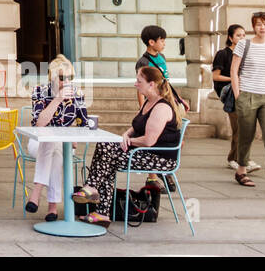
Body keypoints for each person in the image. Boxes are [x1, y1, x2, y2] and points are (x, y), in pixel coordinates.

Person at [74, 66, 183, 224]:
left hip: (160, 158)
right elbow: (135, 127)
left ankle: (92, 189)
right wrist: (125, 135)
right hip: (145, 153)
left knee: (108, 152)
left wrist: (128, 141)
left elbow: (149, 141)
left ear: (151, 84)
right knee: (106, 152)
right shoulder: (148, 102)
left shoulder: (161, 107)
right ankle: (100, 210)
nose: (135, 84)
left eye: (139, 81)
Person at [230, 11, 265, 196]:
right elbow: (234, 72)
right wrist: (239, 96)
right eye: (258, 24)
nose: (262, 27)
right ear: (253, 26)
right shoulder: (243, 45)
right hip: (248, 95)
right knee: (246, 135)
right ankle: (241, 170)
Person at [25, 55, 87, 221]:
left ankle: (36, 194)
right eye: (61, 77)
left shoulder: (77, 94)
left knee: (56, 148)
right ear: (51, 77)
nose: (66, 81)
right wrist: (58, 99)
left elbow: (84, 125)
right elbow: (40, 124)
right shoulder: (39, 92)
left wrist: (76, 137)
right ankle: (52, 206)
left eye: (69, 78)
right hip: (37, 142)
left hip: (64, 144)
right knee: (51, 141)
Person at [211, 24, 259, 173]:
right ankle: (237, 160)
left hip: (245, 91)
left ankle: (238, 158)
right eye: (238, 35)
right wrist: (233, 79)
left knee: (245, 127)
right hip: (230, 93)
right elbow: (215, 76)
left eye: (244, 35)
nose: (242, 38)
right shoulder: (223, 54)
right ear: (230, 38)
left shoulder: (246, 54)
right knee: (240, 126)